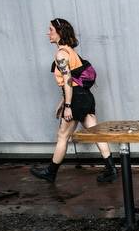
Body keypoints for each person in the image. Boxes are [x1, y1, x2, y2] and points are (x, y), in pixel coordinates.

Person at [30, 18, 118, 184]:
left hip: (76, 99)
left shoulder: (61, 54)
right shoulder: (71, 52)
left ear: (60, 32)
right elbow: (73, 81)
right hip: (85, 97)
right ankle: (111, 169)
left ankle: (50, 172)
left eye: (51, 29)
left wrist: (68, 106)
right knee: (95, 133)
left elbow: (68, 81)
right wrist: (62, 103)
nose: (48, 33)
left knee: (62, 135)